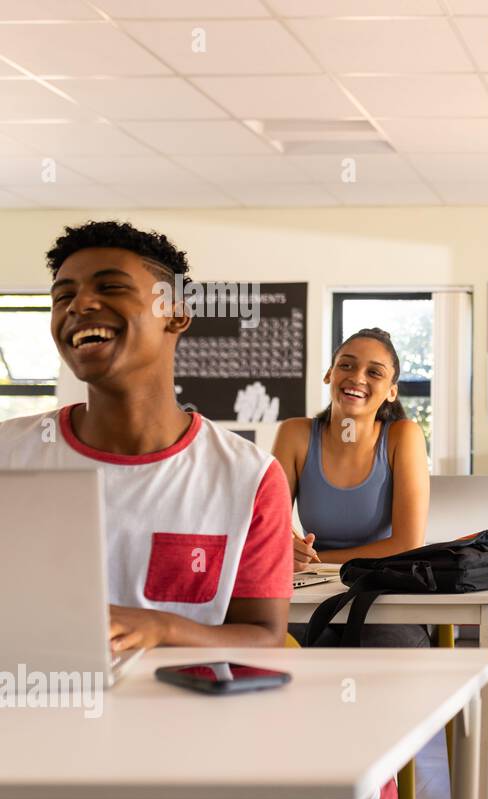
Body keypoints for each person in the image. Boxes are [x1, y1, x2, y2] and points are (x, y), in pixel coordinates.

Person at [0, 220, 291, 652]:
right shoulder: (9, 453)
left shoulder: (250, 477)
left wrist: (162, 629)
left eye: (111, 287)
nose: (79, 305)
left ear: (175, 313)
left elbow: (264, 634)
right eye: (63, 296)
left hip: (182, 712)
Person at [272, 327, 430, 650]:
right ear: (329, 374)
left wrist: (317, 560)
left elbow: (406, 544)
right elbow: (268, 526)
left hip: (386, 597)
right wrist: (286, 545)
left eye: (374, 372)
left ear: (391, 391)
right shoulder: (295, 434)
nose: (357, 377)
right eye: (346, 365)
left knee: (380, 655)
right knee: (277, 645)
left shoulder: (403, 436)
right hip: (311, 593)